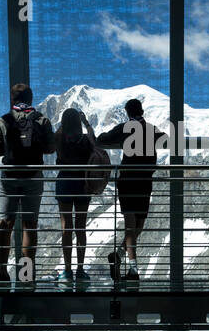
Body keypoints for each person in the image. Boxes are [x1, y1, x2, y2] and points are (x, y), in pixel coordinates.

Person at [0, 83, 55, 287]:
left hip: (10, 176)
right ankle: (27, 275)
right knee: (30, 226)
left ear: (12, 99)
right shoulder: (42, 119)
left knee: (5, 224)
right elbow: (50, 148)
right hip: (33, 176)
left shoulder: (3, 119)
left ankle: (2, 273)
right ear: (31, 98)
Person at [96, 97, 163, 286]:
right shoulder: (151, 129)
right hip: (144, 181)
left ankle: (119, 257)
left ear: (127, 112)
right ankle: (131, 268)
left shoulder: (124, 128)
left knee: (131, 227)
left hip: (128, 181)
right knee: (138, 226)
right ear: (142, 111)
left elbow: (103, 139)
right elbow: (166, 137)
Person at [52, 108, 97, 286]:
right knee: (80, 227)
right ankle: (80, 269)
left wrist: (63, 125)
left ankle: (67, 270)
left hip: (64, 183)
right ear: (79, 123)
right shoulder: (85, 140)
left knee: (66, 227)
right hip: (83, 185)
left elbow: (52, 139)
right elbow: (95, 141)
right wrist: (86, 123)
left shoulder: (60, 139)